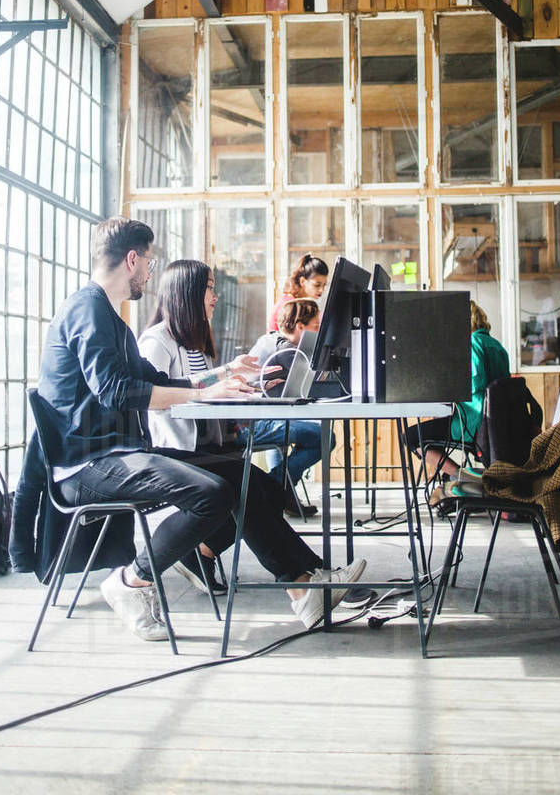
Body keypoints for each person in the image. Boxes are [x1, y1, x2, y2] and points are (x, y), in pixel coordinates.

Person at [39, 219, 365, 640]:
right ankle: (131, 581)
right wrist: (204, 393)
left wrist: (218, 380)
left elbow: (157, 381)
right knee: (212, 492)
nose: (149, 274)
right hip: (89, 465)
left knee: (241, 476)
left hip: (116, 455)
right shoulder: (89, 309)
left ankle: (304, 588)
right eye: (149, 263)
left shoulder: (109, 317)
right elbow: (118, 392)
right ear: (132, 260)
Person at [138, 257, 366, 616]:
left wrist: (240, 380)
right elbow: (155, 399)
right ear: (188, 293)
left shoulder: (190, 342)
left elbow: (197, 385)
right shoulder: (157, 341)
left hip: (205, 447)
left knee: (272, 491)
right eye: (210, 288)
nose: (216, 296)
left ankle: (206, 554)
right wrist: (214, 388)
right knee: (246, 487)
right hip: (174, 452)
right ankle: (304, 584)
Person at [239, 298, 333, 518]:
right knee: (324, 437)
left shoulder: (273, 342)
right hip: (253, 423)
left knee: (320, 436)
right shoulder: (285, 350)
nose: (318, 332)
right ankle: (274, 487)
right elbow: (312, 386)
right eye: (315, 327)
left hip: (263, 417)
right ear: (300, 326)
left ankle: (280, 490)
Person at [403, 300, 510, 485]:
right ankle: (454, 478)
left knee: (412, 437)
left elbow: (475, 382)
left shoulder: (472, 342)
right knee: (433, 433)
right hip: (496, 427)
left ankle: (463, 478)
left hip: (473, 423)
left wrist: (444, 383)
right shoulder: (497, 346)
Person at [268, 253, 329, 331]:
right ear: (302, 281)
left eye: (324, 285)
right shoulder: (289, 305)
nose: (321, 290)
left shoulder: (296, 303)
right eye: (317, 285)